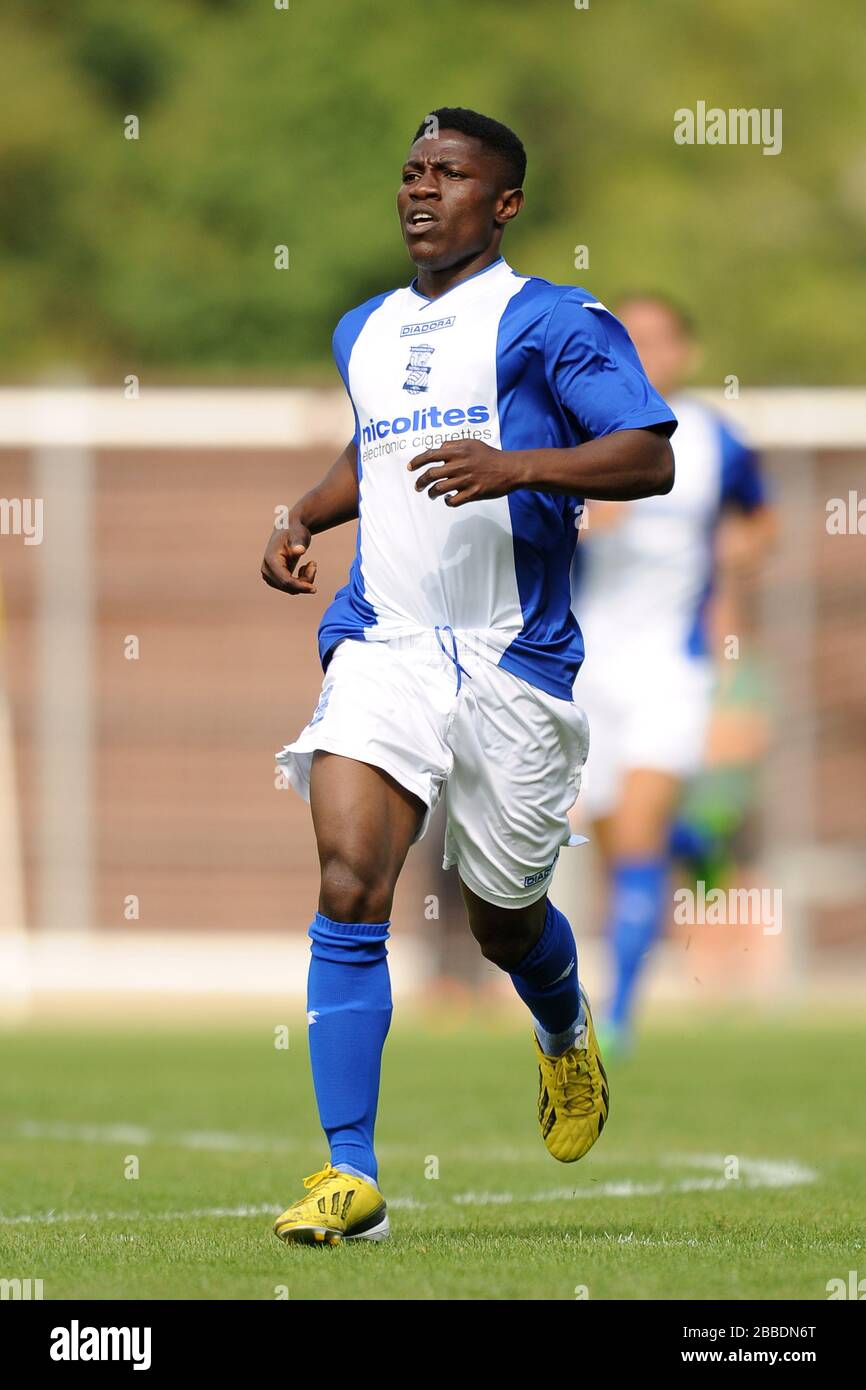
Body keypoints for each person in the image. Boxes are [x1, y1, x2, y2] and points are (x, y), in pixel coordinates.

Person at [261, 110, 676, 1245]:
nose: (419, 189)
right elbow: (380, 449)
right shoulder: (361, 328)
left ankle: (561, 1029)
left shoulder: (551, 322)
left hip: (513, 663)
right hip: (384, 643)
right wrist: (301, 511)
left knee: (502, 919)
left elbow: (646, 453)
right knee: (351, 876)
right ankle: (350, 1174)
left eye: (448, 175)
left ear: (503, 204)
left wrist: (518, 467)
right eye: (408, 171)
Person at [569, 294, 775, 1055]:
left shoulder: (717, 441)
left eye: (659, 339)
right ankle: (697, 848)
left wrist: (740, 558)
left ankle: (618, 1014)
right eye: (631, 339)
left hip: (670, 667)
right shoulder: (576, 429)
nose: (646, 351)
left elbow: (761, 521)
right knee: (603, 834)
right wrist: (584, 518)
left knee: (638, 833)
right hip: (581, 666)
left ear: (685, 351)